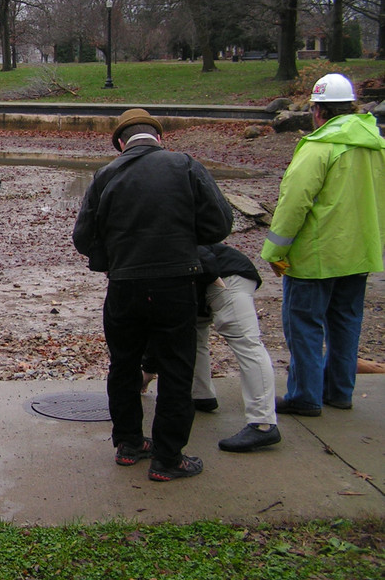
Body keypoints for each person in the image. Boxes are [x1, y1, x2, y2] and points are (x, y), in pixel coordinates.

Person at [73, 108, 232, 481]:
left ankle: (129, 444)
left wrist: (111, 259)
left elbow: (83, 238)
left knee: (124, 365)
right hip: (176, 285)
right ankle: (168, 457)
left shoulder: (105, 176)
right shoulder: (185, 166)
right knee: (177, 368)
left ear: (120, 144)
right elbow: (220, 223)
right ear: (160, 139)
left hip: (124, 286)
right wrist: (184, 239)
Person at [261, 73, 385, 416]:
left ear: (317, 111)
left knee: (303, 325)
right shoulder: (376, 145)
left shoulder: (319, 147)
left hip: (316, 256)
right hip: (359, 254)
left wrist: (274, 251)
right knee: (346, 323)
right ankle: (339, 391)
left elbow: (293, 203)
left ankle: (305, 396)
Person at [145, 243, 281, 452]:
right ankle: (201, 395)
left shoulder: (155, 245)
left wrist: (147, 372)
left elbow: (159, 331)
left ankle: (263, 424)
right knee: (193, 333)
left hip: (226, 275)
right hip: (202, 282)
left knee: (245, 342)